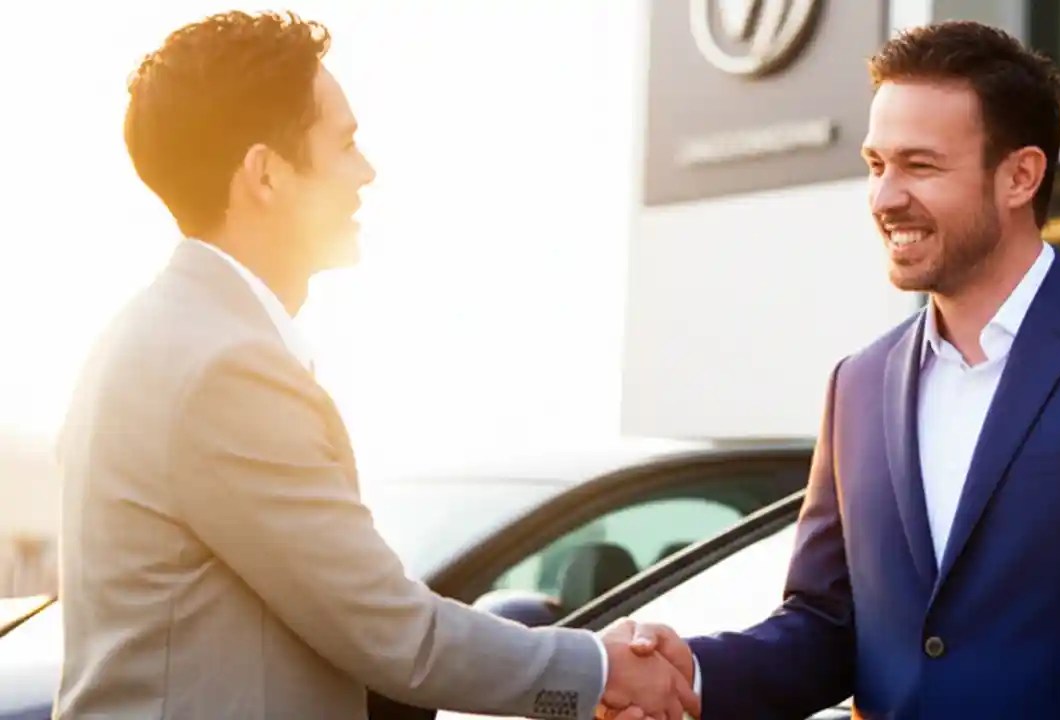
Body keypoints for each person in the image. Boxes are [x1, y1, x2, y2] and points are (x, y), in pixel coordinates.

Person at [607, 19, 1060, 720]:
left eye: (919, 166)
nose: (885, 197)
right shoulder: (858, 384)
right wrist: (693, 670)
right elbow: (830, 627)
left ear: (1020, 176)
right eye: (875, 164)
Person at [54, 11, 696, 720]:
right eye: (345, 143)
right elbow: (392, 633)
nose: (367, 172)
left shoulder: (160, 335)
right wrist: (598, 669)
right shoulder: (222, 367)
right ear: (265, 174)